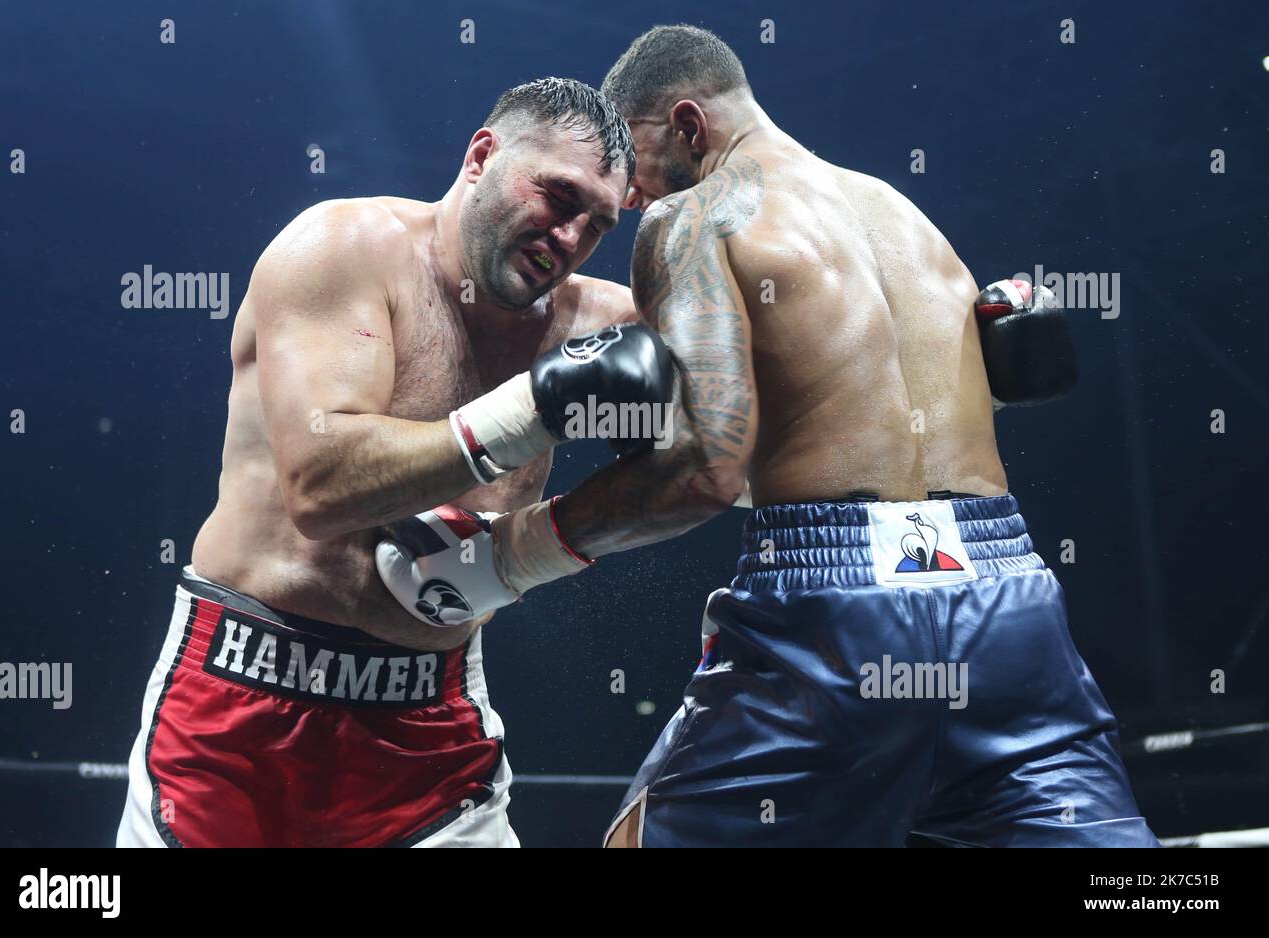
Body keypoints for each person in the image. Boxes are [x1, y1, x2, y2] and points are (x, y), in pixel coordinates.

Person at [377, 26, 1158, 847]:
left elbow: (708, 473)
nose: (630, 196)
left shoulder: (695, 216)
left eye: (633, 160)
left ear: (686, 123)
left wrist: (499, 562)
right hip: (1009, 595)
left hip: (838, 609)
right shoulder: (902, 211)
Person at [116, 77, 668, 847]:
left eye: (598, 224)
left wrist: (519, 558)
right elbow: (323, 485)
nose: (571, 237)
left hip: (428, 725)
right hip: (236, 709)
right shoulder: (342, 251)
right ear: (481, 156)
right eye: (558, 197)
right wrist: (537, 409)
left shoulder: (604, 327)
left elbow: (724, 464)